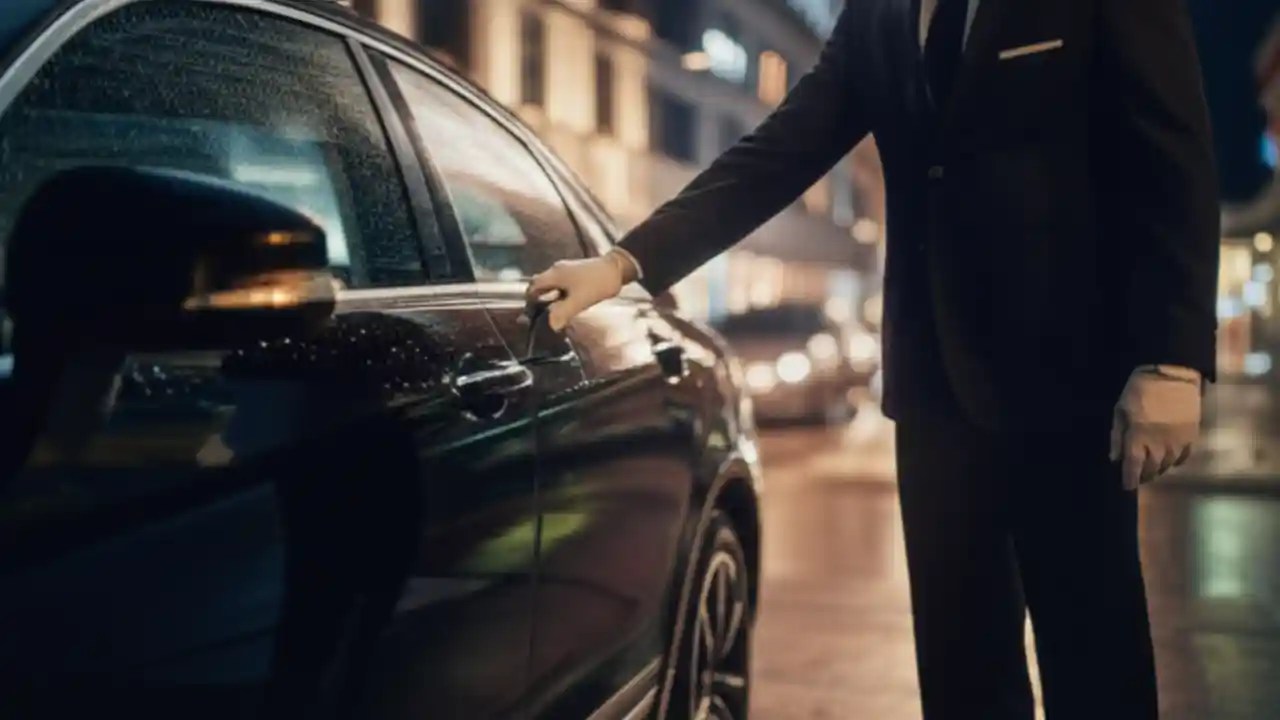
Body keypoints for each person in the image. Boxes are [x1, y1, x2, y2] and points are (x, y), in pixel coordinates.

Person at [528, 0, 1219, 718]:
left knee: (1096, 668)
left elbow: (1172, 156)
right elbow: (780, 151)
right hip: (932, 393)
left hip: (1072, 384)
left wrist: (1169, 357)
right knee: (962, 678)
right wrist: (623, 263)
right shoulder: (878, 15)